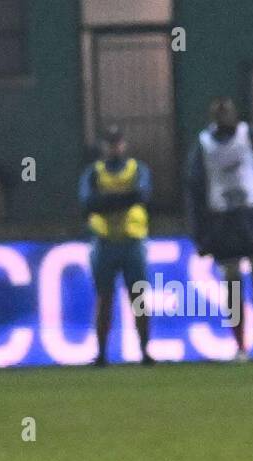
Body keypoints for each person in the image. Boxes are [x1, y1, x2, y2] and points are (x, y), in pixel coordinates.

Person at [185, 97, 253, 360]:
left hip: (252, 216)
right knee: (232, 285)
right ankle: (240, 345)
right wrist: (199, 232)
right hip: (223, 220)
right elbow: (195, 188)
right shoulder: (204, 145)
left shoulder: (249, 137)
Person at [78, 126, 153, 366]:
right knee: (104, 298)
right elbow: (88, 203)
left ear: (124, 144)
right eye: (110, 143)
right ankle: (101, 353)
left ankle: (144, 350)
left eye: (117, 142)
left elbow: (142, 195)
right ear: (104, 146)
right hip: (105, 241)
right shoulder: (94, 172)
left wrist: (106, 202)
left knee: (138, 297)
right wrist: (125, 199)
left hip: (131, 241)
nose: (114, 147)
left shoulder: (136, 169)